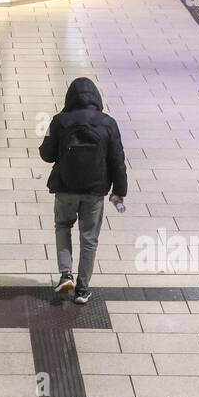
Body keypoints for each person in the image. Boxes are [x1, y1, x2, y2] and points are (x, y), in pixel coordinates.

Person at [39, 77, 128, 304]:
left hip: (66, 187)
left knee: (63, 226)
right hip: (95, 190)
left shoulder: (59, 121)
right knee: (89, 238)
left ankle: (65, 274)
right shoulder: (109, 123)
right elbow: (117, 160)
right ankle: (82, 289)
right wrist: (120, 190)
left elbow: (46, 154)